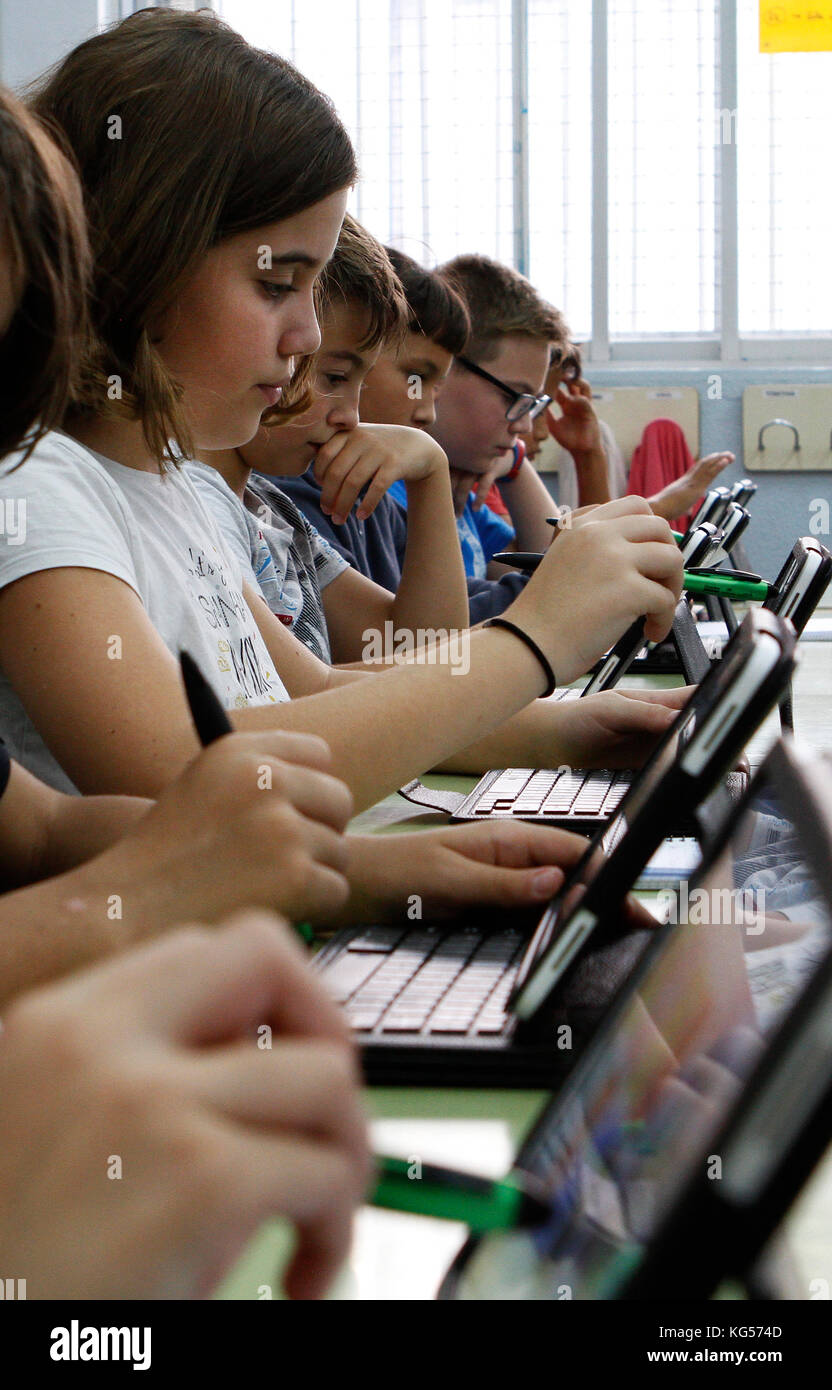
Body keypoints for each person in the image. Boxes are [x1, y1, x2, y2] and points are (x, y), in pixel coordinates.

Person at [0, 9, 685, 817]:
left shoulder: (178, 487)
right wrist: (532, 643)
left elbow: (310, 696)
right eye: (275, 283)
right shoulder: (35, 484)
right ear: (140, 255)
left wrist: (562, 730)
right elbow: (184, 783)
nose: (309, 333)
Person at [283, 245, 534, 623]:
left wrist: (576, 574)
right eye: (416, 379)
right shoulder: (288, 496)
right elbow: (416, 648)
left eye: (436, 388)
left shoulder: (377, 501)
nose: (427, 412)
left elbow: (452, 606)